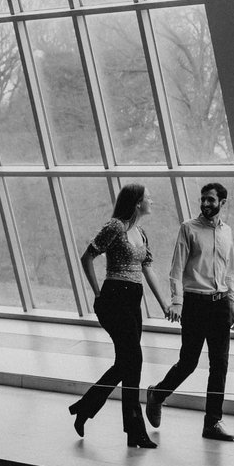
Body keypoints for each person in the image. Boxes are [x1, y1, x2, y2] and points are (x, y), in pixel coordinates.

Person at [70, 183, 170, 448]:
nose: (151, 201)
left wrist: (164, 305)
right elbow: (86, 257)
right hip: (113, 298)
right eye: (148, 197)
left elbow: (148, 270)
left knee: (128, 363)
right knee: (132, 360)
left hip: (133, 300)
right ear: (137, 203)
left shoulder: (141, 233)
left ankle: (87, 408)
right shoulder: (115, 227)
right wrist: (96, 291)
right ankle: (134, 430)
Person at [145, 183, 234, 442]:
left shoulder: (227, 232)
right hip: (195, 305)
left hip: (220, 305)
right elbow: (176, 269)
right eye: (203, 200)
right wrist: (177, 302)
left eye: (211, 200)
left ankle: (212, 423)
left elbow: (228, 272)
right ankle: (157, 394)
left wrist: (232, 305)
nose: (206, 204)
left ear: (223, 202)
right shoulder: (189, 229)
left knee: (219, 365)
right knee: (189, 362)